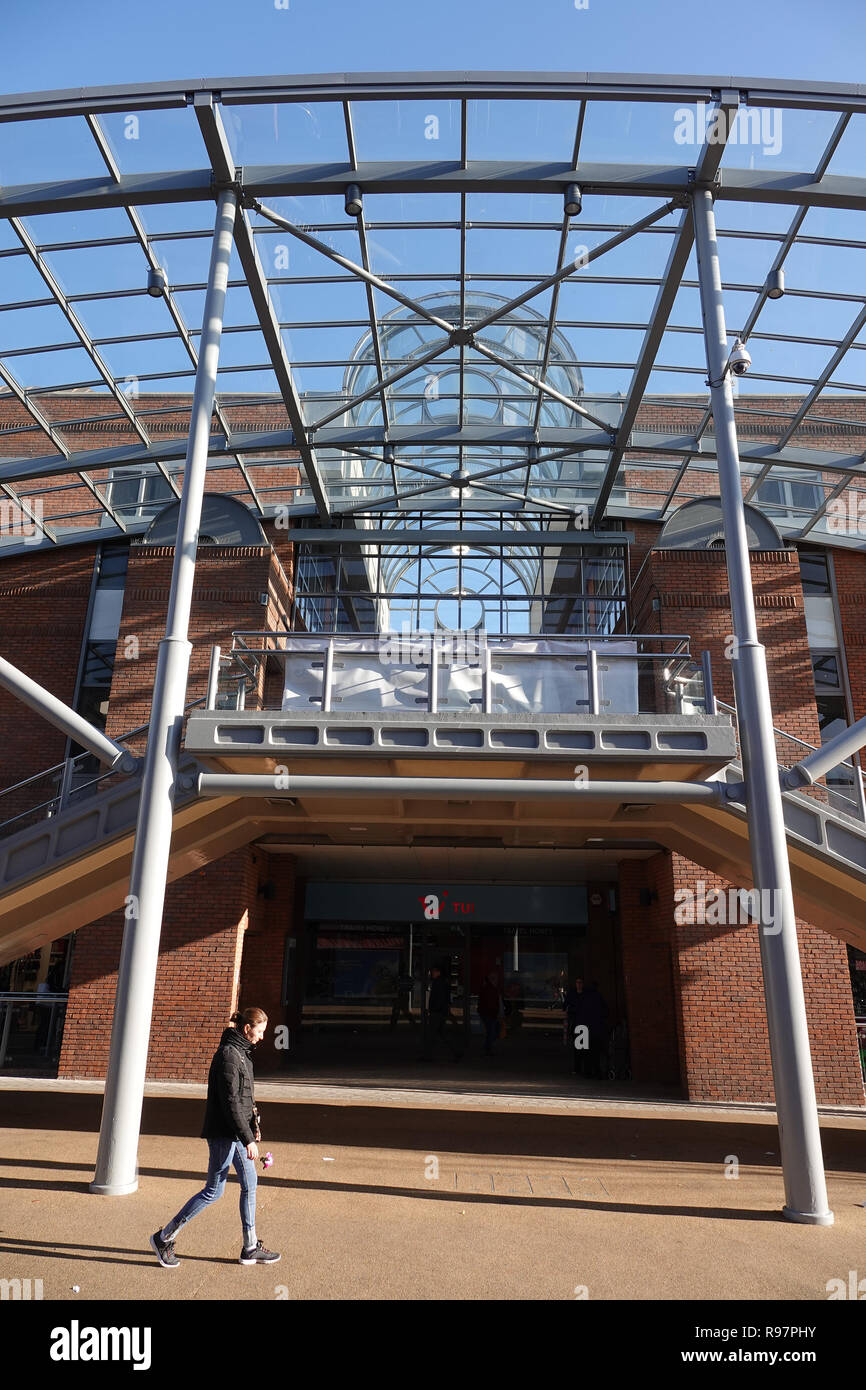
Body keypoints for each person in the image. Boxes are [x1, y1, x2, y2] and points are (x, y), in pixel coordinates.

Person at [149, 1006, 280, 1268]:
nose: (263, 1037)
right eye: (260, 1031)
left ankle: (250, 1246)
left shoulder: (242, 1053)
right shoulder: (228, 1056)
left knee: (250, 1184)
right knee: (213, 1191)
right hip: (224, 1134)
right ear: (247, 1029)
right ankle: (164, 1238)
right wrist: (248, 1139)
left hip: (237, 1133)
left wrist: (252, 1128)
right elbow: (230, 1103)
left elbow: (244, 1100)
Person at [421, 963, 462, 1061]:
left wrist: (433, 1010)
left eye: (433, 971)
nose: (432, 973)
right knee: (442, 1034)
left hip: (437, 1012)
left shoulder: (438, 982)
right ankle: (456, 1051)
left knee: (431, 1034)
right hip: (440, 1012)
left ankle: (427, 1056)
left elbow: (438, 998)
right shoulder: (443, 982)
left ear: (438, 972)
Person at [477, 972, 502, 1056]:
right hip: (490, 1013)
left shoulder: (487, 988)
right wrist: (495, 1014)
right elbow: (492, 1004)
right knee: (492, 1031)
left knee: (490, 1031)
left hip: (486, 1013)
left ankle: (487, 1047)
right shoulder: (491, 989)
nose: (497, 981)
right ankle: (488, 1048)